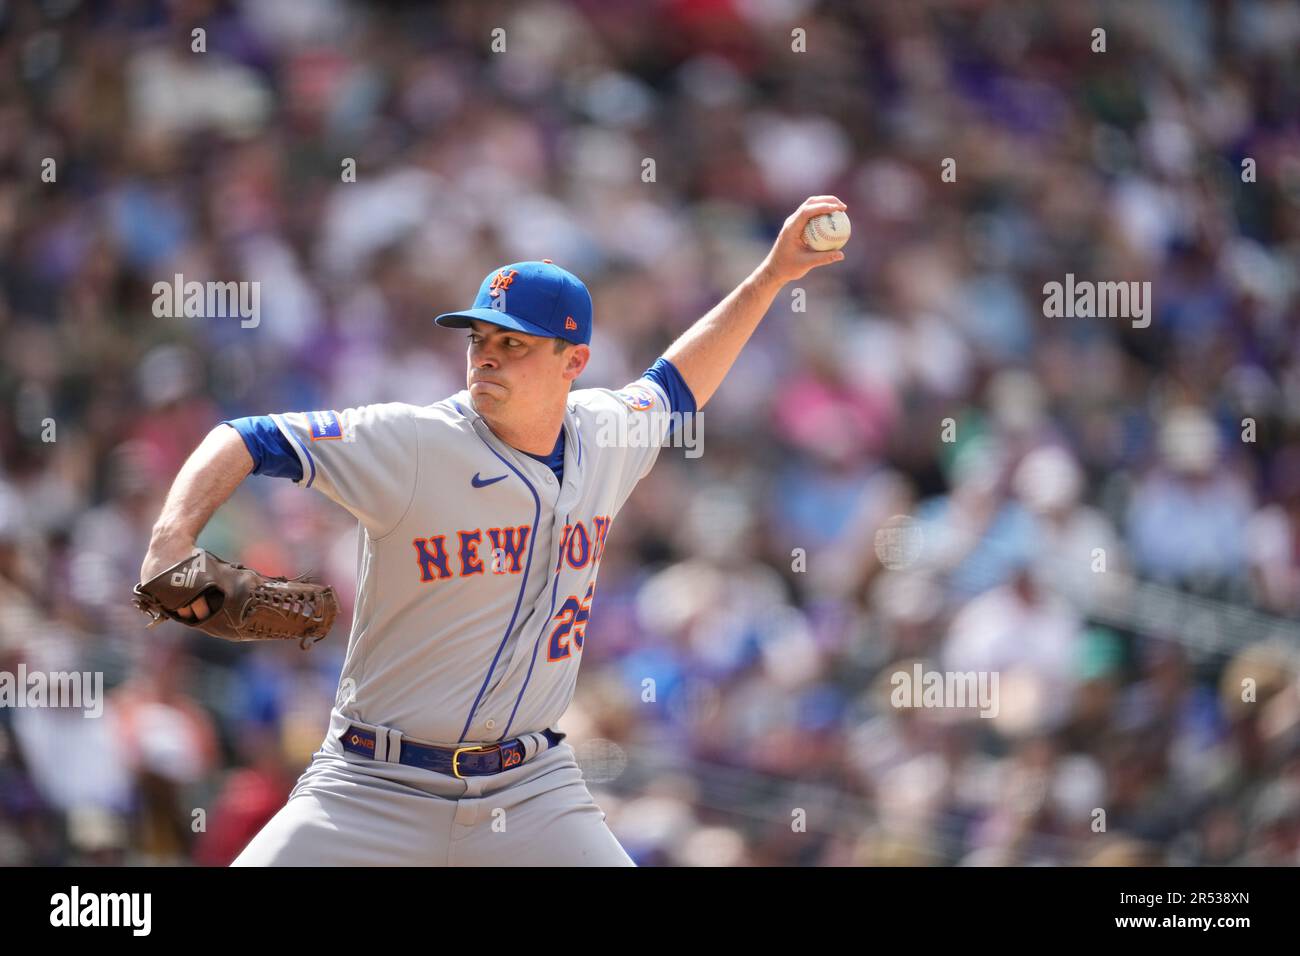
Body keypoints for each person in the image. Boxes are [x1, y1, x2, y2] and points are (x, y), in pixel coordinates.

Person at [137, 196, 847, 866]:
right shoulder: (414, 444)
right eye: (479, 338)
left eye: (514, 343)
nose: (486, 357)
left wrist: (773, 274)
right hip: (372, 784)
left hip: (529, 788)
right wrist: (172, 539)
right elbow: (246, 437)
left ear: (575, 362)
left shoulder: (606, 434)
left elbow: (678, 383)